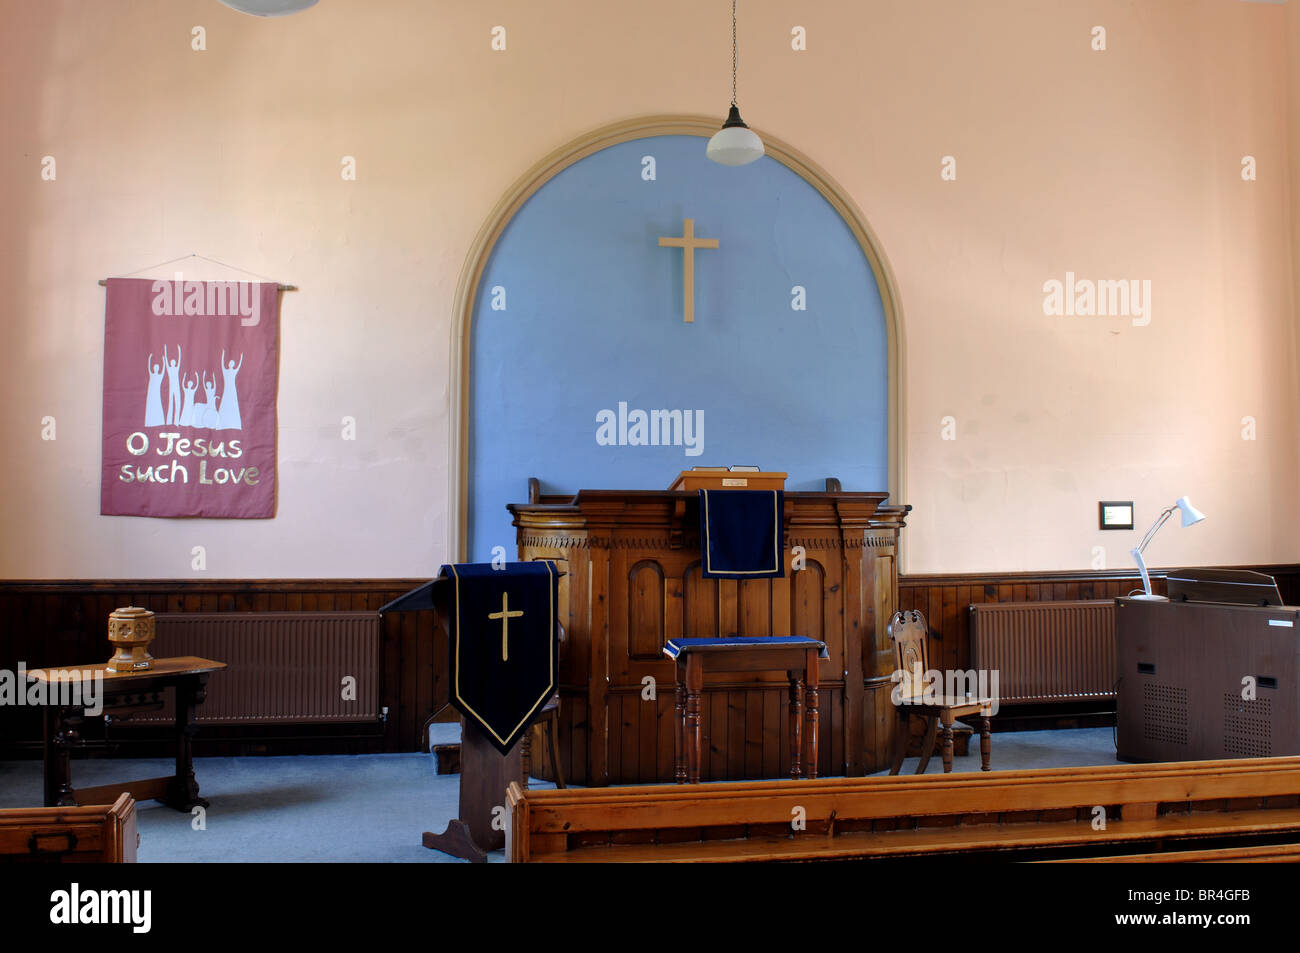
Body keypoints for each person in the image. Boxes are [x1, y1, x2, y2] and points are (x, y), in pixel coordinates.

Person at [144, 351, 165, 427]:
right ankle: (150, 422)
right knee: (150, 405)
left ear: (158, 368)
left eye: (157, 367)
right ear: (153, 368)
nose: (156, 368)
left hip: (156, 392)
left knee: (157, 404)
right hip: (151, 392)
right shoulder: (151, 374)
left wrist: (164, 360)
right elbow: (149, 367)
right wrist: (150, 358)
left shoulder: (160, 376)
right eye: (155, 367)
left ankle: (158, 421)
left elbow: (163, 369)